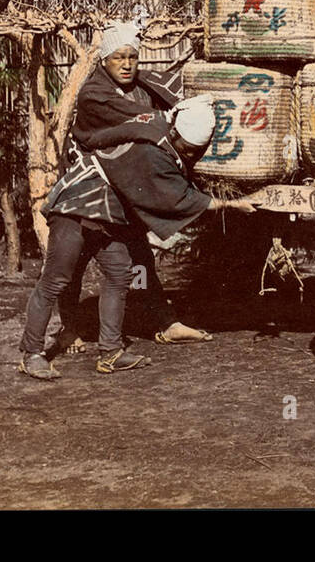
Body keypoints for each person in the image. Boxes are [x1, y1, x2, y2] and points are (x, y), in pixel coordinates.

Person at [17, 94, 232, 379]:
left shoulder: (161, 133)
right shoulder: (150, 142)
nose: (190, 155)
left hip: (106, 214)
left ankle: (110, 352)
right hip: (76, 204)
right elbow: (171, 196)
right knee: (56, 279)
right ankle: (32, 354)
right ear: (176, 134)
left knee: (120, 273)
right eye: (188, 149)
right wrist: (227, 203)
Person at [54, 23, 216, 351]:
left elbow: (167, 93)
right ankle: (69, 327)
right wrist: (178, 117)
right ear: (104, 61)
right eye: (119, 58)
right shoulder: (94, 94)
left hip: (124, 183)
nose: (127, 64)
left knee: (139, 252)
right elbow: (144, 118)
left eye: (132, 57)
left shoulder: (139, 84)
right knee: (75, 260)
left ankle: (164, 322)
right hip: (88, 182)